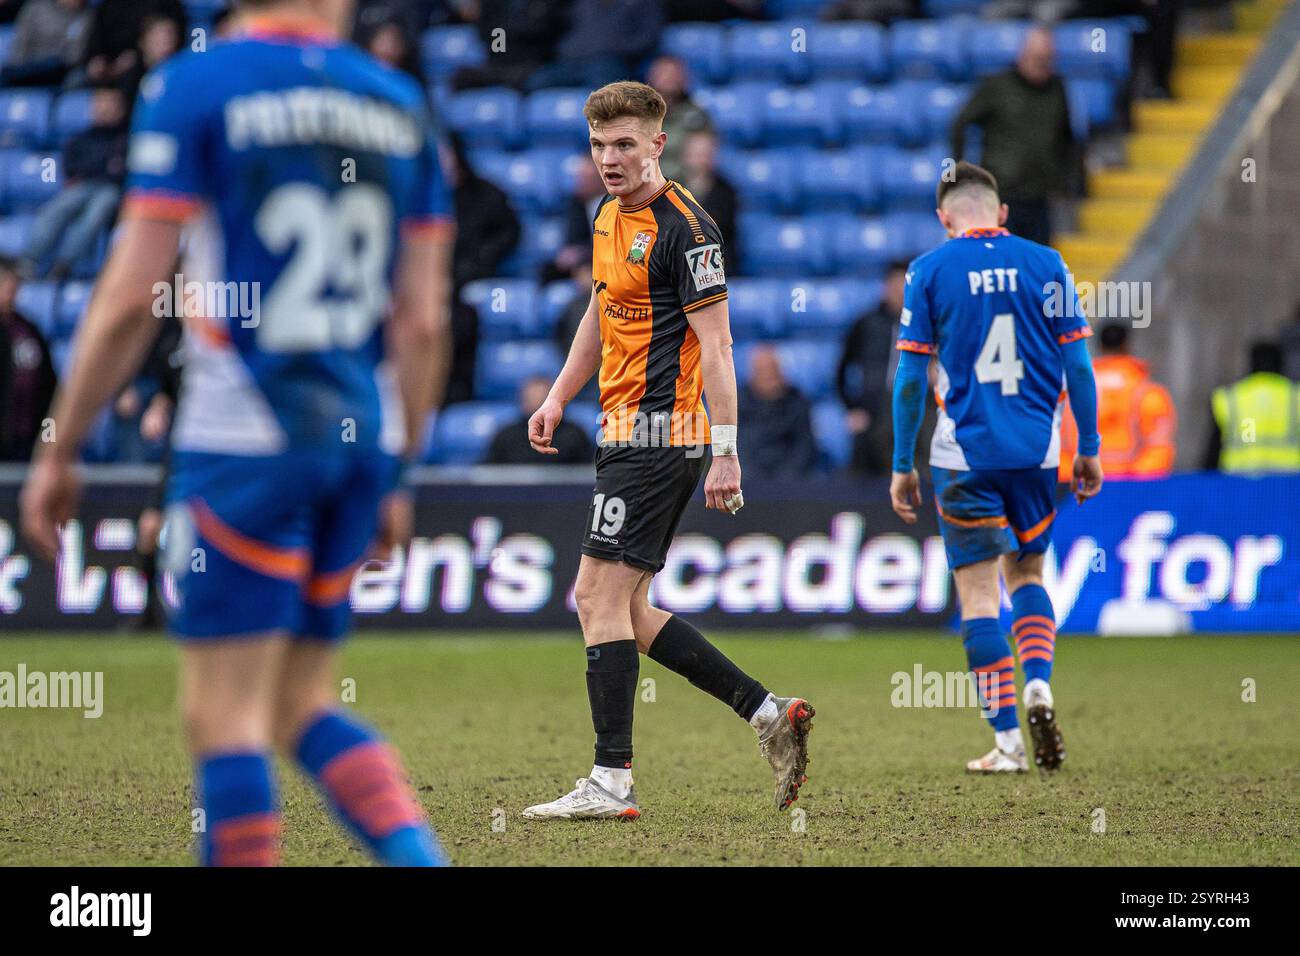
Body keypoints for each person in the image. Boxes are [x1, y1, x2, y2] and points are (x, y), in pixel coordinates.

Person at [20, 0, 456, 867]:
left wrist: (60, 446)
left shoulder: (196, 86)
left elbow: (128, 294)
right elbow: (422, 322)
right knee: (299, 701)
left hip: (244, 437)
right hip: (358, 439)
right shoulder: (399, 102)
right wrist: (398, 473)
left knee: (223, 716)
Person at [523, 81, 813, 820]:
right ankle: (766, 711)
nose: (610, 158)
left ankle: (611, 780)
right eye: (598, 145)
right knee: (628, 606)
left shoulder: (690, 228)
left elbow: (718, 347)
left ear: (660, 143)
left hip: (663, 431)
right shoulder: (605, 216)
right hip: (622, 428)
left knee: (594, 596)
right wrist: (558, 394)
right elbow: (602, 306)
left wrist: (726, 449)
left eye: (624, 144)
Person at [890, 161, 1102, 775]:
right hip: (1037, 454)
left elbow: (909, 377)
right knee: (1028, 574)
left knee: (979, 597)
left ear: (944, 218)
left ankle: (1008, 742)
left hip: (962, 456)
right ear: (1001, 212)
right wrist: (1087, 446)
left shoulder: (929, 270)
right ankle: (1039, 683)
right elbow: (1080, 369)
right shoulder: (1048, 263)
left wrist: (903, 463)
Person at [950, 26, 1080, 246]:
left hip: (1041, 197)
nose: (1042, 65)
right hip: (1002, 196)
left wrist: (1067, 181)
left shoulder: (1057, 88)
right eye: (1038, 58)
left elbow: (1067, 138)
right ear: (1023, 54)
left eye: (1047, 60)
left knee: (1037, 269)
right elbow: (960, 124)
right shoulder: (997, 86)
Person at [20, 84, 129, 281]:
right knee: (58, 208)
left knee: (96, 213)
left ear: (121, 108)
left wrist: (105, 171)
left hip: (110, 190)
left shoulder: (126, 139)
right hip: (83, 185)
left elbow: (124, 171)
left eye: (111, 104)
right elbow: (70, 167)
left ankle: (63, 266)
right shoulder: (82, 137)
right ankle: (29, 260)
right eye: (100, 103)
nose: (105, 108)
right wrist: (103, 168)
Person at [1059, 321, 1175, 481]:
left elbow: (1059, 447)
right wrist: (1130, 483)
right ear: (1126, 345)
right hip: (1130, 492)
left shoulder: (1071, 393)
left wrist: (1072, 481)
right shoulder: (1147, 393)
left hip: (1080, 489)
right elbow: (1158, 449)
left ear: (1099, 346)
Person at [837, 259, 907, 475]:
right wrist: (852, 408)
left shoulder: (927, 326)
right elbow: (841, 371)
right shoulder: (867, 324)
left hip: (913, 416)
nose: (901, 292)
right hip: (872, 417)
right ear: (886, 287)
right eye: (897, 285)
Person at [1202, 341, 1300, 473]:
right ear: (1281, 362)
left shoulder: (1231, 398)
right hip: (1290, 484)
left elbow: (1213, 450)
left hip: (1240, 482)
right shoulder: (1295, 396)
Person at [0, 257, 58, 462]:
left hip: (24, 440)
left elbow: (48, 384)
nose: (11, 290)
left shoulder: (27, 330)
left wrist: (47, 438)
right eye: (5, 282)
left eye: (14, 283)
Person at [738, 345, 816, 479]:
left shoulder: (797, 402)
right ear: (753, 373)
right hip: (746, 482)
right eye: (762, 371)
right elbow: (735, 446)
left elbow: (804, 447)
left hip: (789, 485)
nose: (768, 376)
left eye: (773, 371)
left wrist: (785, 480)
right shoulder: (737, 403)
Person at [486, 376, 592, 465]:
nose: (536, 402)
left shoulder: (574, 435)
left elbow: (587, 472)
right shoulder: (506, 436)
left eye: (542, 398)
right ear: (523, 401)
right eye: (531, 397)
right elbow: (488, 472)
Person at [645, 54, 712, 184]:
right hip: (646, 178)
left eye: (673, 74)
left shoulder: (696, 113)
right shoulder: (638, 112)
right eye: (664, 73)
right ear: (651, 77)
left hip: (683, 180)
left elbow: (703, 150)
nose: (669, 78)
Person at [678, 128, 738, 262]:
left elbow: (724, 235)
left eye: (707, 154)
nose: (702, 160)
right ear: (685, 156)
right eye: (697, 154)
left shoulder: (726, 193)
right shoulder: (670, 191)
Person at [0, 0, 89, 88]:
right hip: (30, 70)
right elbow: (19, 50)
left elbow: (76, 57)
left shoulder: (90, 16)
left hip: (64, 72)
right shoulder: (35, 9)